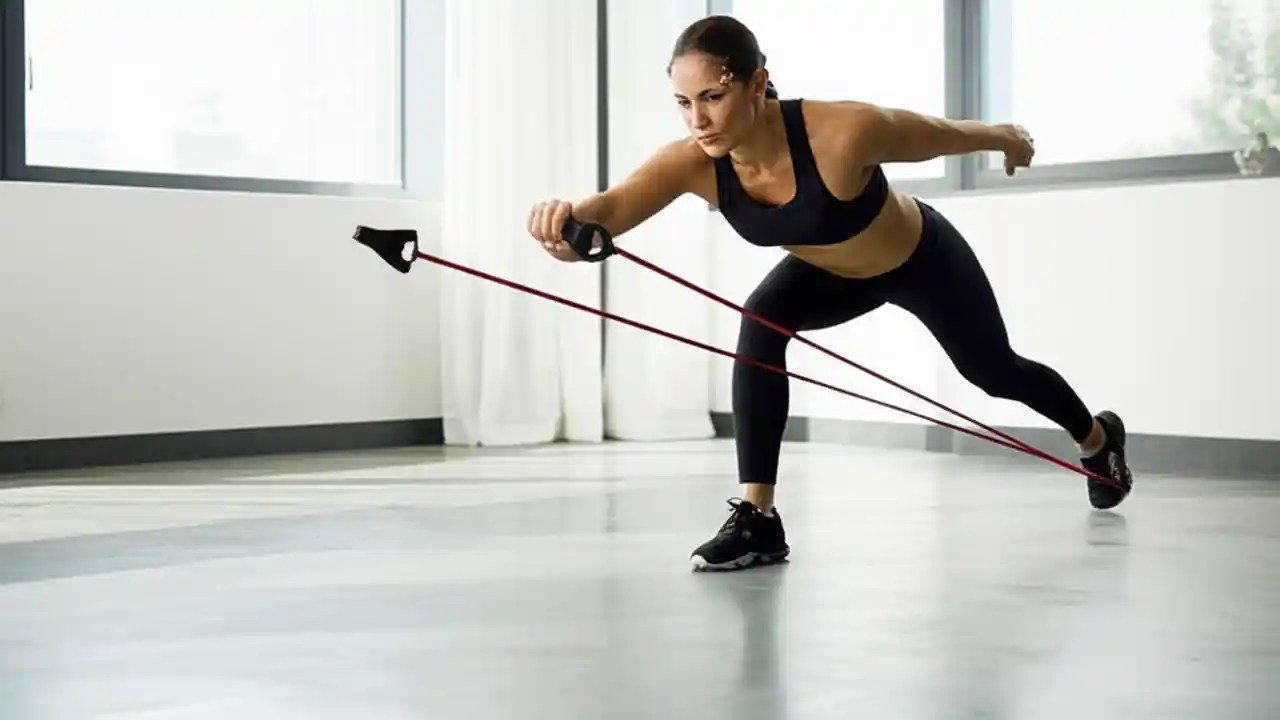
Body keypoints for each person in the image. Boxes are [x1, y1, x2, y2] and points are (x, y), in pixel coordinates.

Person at [526, 15, 1134, 571]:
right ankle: (758, 519)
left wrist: (1005, 137)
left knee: (994, 371)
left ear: (758, 83)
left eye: (713, 96)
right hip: (830, 273)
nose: (698, 120)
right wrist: (566, 223)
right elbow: (610, 211)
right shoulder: (693, 162)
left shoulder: (841, 133)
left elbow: (936, 133)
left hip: (919, 258)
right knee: (760, 320)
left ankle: (1097, 439)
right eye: (684, 103)